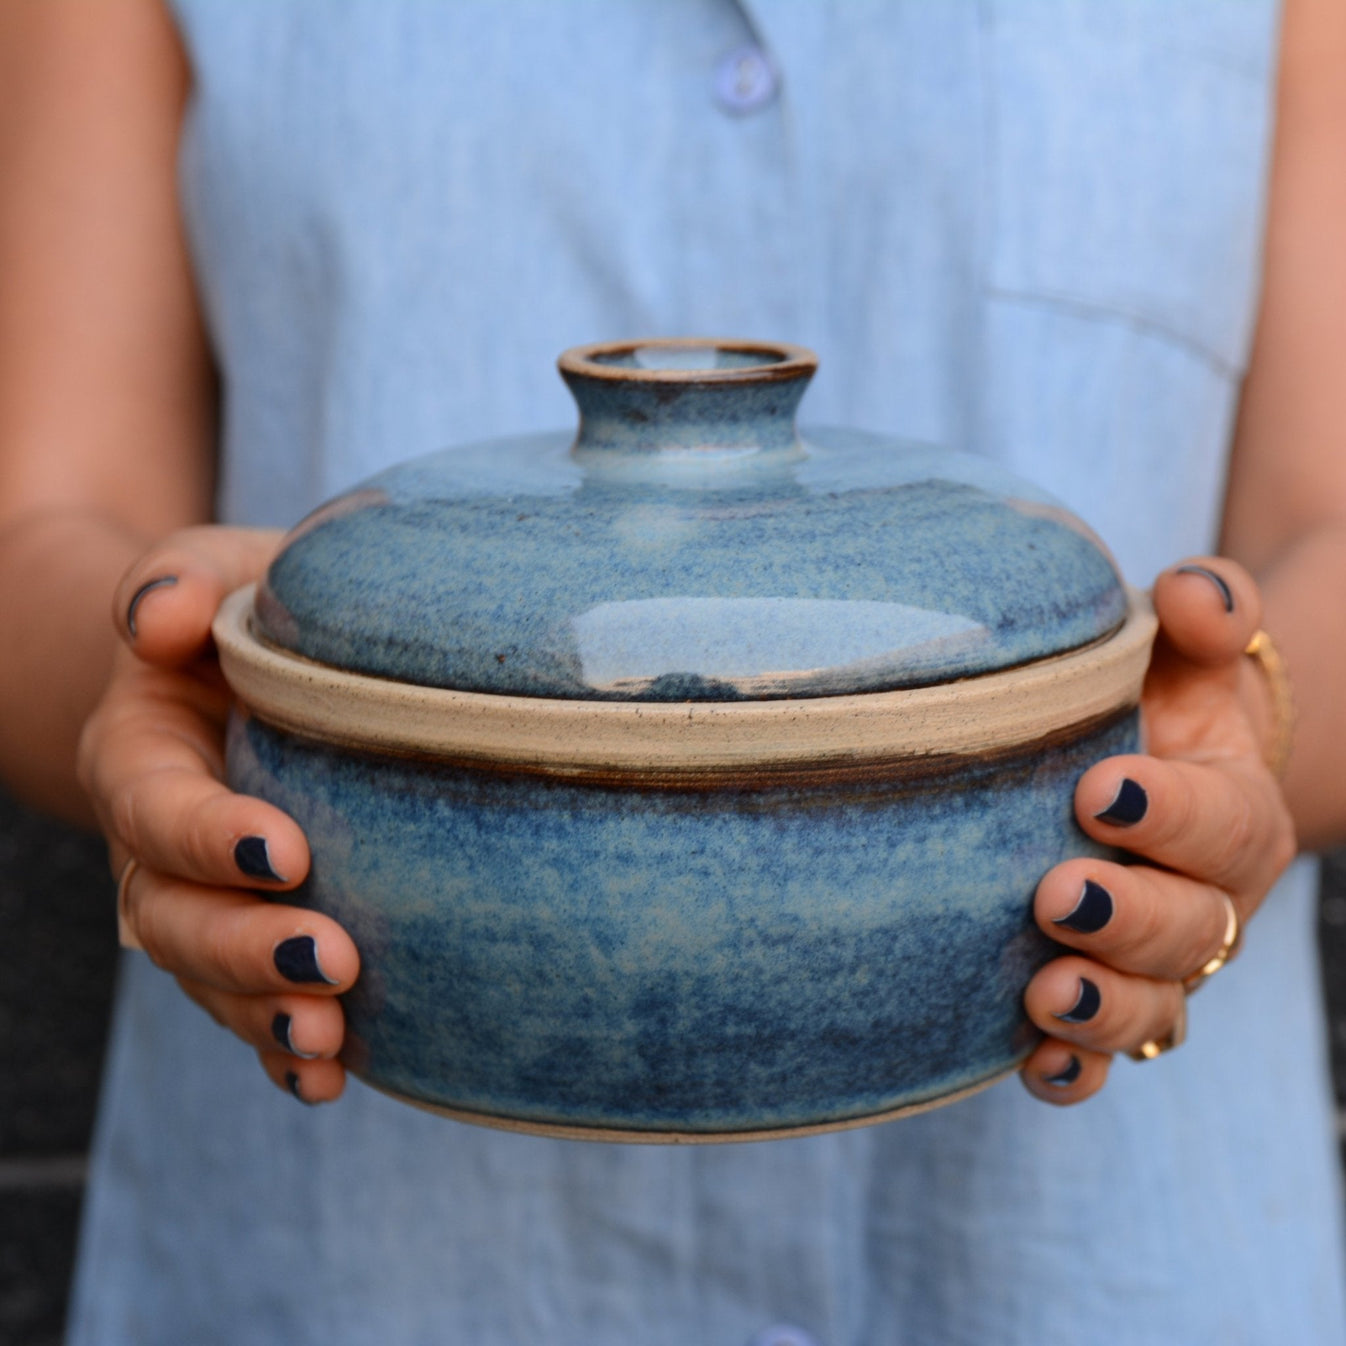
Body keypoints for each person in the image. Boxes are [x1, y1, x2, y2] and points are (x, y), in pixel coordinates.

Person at [2, 0, 1345, 1342]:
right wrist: (166, 678)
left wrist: (1240, 715)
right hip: (331, 1270)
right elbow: (39, 524)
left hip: (1094, 1270)